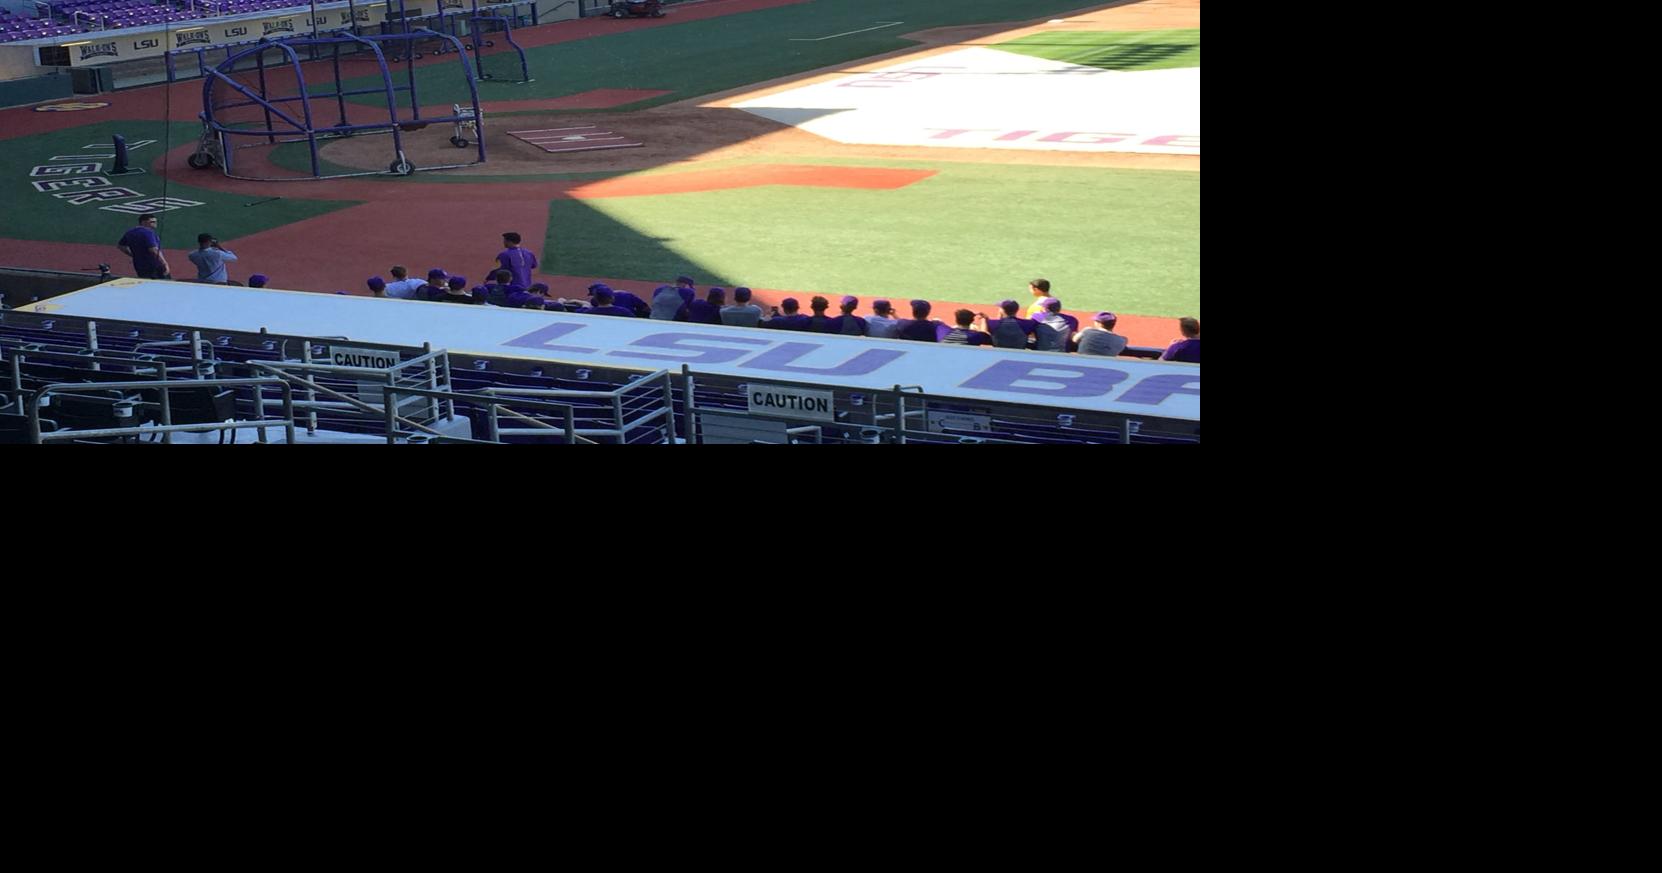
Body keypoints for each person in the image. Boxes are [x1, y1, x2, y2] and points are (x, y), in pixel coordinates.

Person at [117, 213, 169, 279]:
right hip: (154, 265)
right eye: (152, 222)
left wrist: (133, 254)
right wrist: (164, 263)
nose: (155, 223)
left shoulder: (130, 232)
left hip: (139, 265)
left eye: (156, 222)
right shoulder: (148, 233)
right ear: (143, 222)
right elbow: (153, 249)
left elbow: (121, 246)